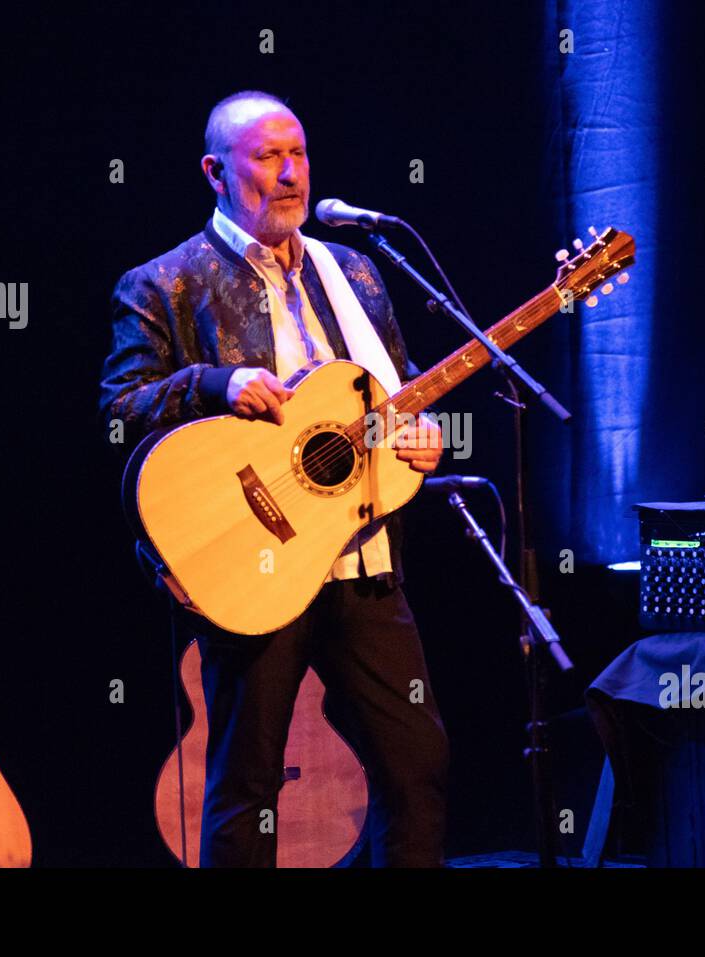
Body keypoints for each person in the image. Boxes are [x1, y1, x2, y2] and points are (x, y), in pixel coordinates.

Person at [99, 90, 449, 867]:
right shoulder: (163, 283)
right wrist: (213, 384)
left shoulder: (352, 271)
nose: (290, 173)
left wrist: (422, 435)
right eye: (267, 156)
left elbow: (400, 387)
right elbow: (119, 411)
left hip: (361, 559)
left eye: (299, 154)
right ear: (215, 171)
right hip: (252, 563)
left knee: (417, 767)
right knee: (249, 786)